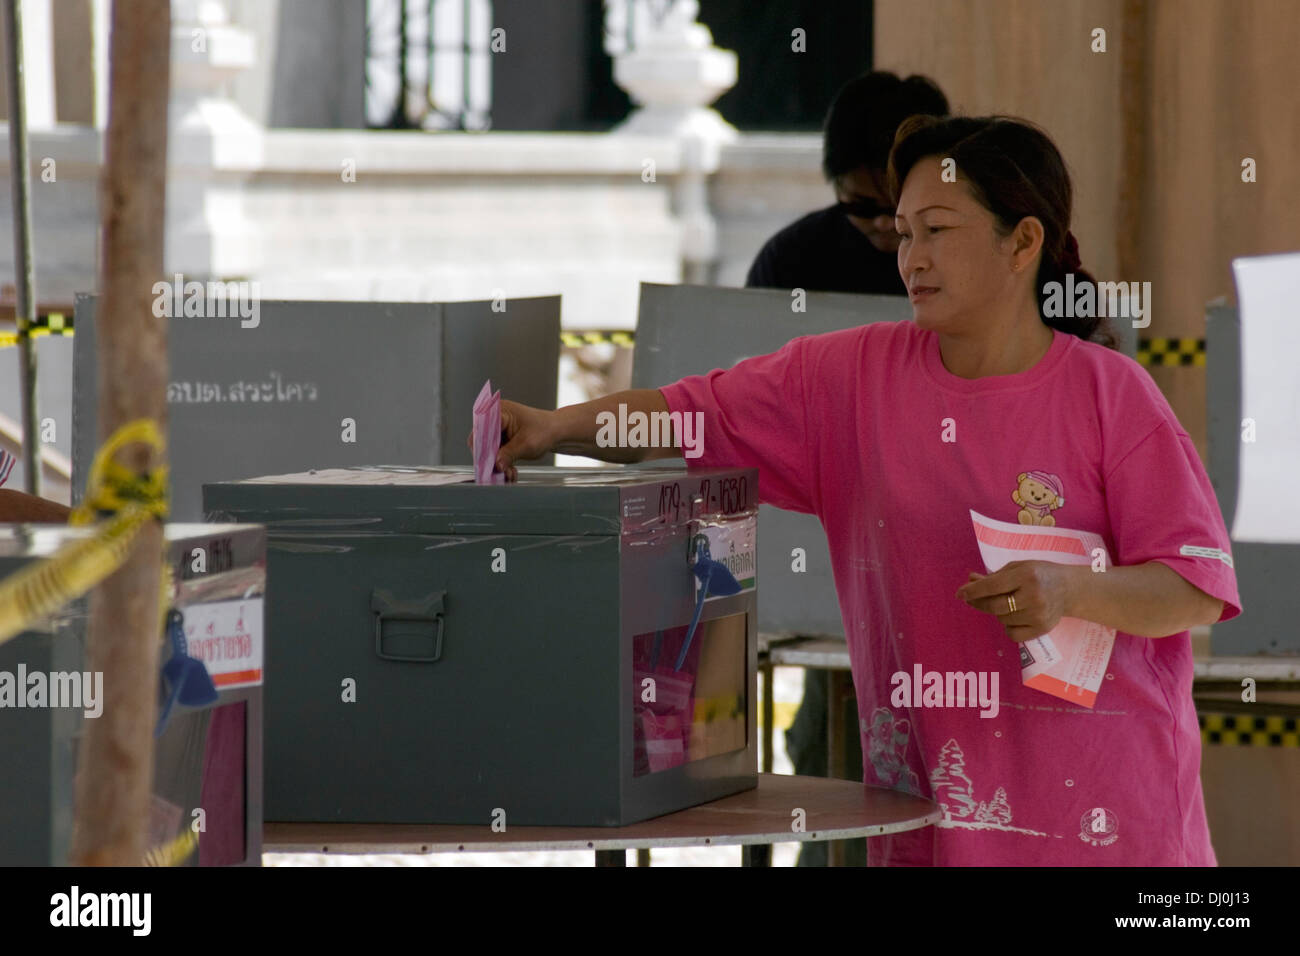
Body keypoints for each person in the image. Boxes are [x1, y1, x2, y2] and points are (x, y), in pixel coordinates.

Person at [485, 114, 1240, 866]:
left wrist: (1072, 591)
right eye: (904, 234)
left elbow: (1195, 586)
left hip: (1115, 832)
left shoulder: (1113, 396)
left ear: (1024, 242)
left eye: (938, 229)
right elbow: (686, 417)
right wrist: (555, 428)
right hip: (929, 827)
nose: (913, 257)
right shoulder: (847, 381)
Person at [748, 69, 949, 867]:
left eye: (898, 216)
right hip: (833, 558)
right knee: (833, 770)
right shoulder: (793, 258)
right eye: (857, 208)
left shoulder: (994, 270)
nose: (883, 236)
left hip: (954, 562)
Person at [746, 70, 949, 294]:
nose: (883, 223)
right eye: (862, 207)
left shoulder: (969, 255)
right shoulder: (791, 259)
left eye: (898, 208)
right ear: (838, 186)